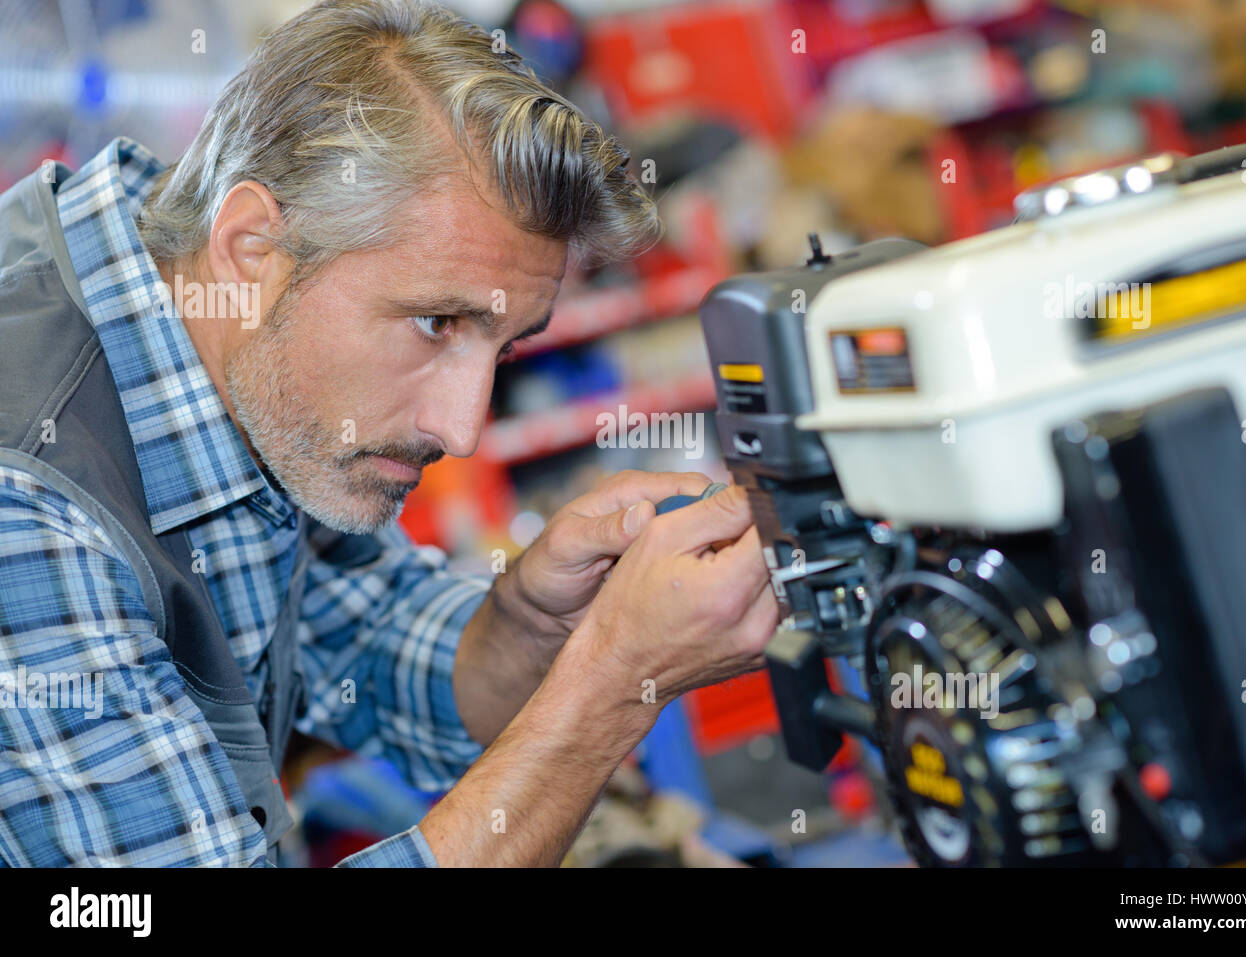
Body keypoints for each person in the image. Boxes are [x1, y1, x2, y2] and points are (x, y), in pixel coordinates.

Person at [0, 0, 777, 866]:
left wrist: (530, 620)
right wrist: (610, 686)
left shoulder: (216, 328)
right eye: (437, 323)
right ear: (250, 248)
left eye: (503, 345)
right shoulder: (28, 499)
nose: (463, 428)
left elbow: (368, 648)